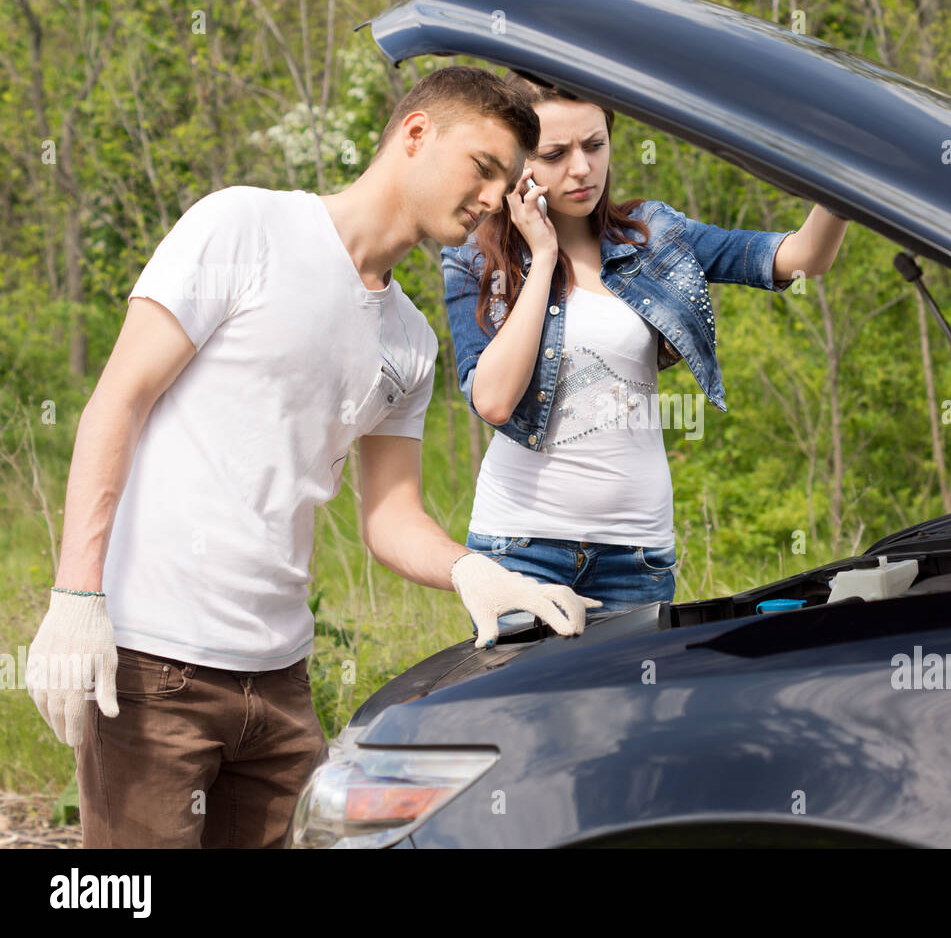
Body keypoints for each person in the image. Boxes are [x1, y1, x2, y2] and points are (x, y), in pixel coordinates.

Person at [24, 66, 600, 849]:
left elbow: (391, 516)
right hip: (157, 671)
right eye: (484, 168)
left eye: (508, 181)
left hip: (281, 687)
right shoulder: (244, 228)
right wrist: (76, 597)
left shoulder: (411, 342)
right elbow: (116, 401)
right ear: (417, 133)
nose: (496, 198)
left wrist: (475, 570)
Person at [440, 73, 849, 624]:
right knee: (527, 712)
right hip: (521, 549)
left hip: (637, 555)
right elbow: (493, 401)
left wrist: (843, 182)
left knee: (633, 711)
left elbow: (799, 258)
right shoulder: (475, 259)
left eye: (594, 145)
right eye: (555, 154)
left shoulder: (654, 235)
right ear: (519, 164)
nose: (581, 169)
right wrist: (541, 258)